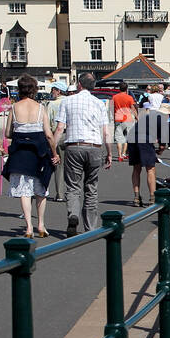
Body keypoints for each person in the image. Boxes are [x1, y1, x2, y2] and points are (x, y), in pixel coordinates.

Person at [53, 73, 113, 234]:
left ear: (79, 84)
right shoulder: (99, 104)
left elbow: (60, 128)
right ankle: (90, 227)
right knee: (91, 187)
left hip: (73, 146)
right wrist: (109, 153)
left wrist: (52, 149)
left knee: (73, 186)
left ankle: (73, 214)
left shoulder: (67, 101)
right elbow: (106, 132)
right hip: (94, 147)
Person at [0, 74, 58, 237]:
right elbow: (48, 135)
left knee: (24, 191)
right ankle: (41, 224)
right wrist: (54, 153)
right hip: (39, 152)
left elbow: (9, 132)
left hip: (20, 153)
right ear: (34, 90)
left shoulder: (14, 108)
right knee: (41, 189)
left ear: (19, 89)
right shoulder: (40, 108)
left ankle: (29, 227)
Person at [45, 82, 68, 200]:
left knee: (58, 165)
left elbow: (47, 123)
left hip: (58, 135)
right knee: (72, 165)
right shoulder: (70, 101)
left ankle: (60, 194)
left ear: (58, 91)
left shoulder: (52, 104)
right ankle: (72, 192)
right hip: (71, 134)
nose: (52, 92)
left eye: (53, 90)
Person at [111, 82, 136, 163]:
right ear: (126, 89)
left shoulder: (114, 97)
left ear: (119, 88)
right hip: (127, 119)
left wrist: (112, 116)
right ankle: (124, 153)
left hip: (118, 118)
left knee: (119, 138)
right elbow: (133, 108)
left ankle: (119, 155)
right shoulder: (129, 98)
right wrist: (137, 117)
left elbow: (111, 107)